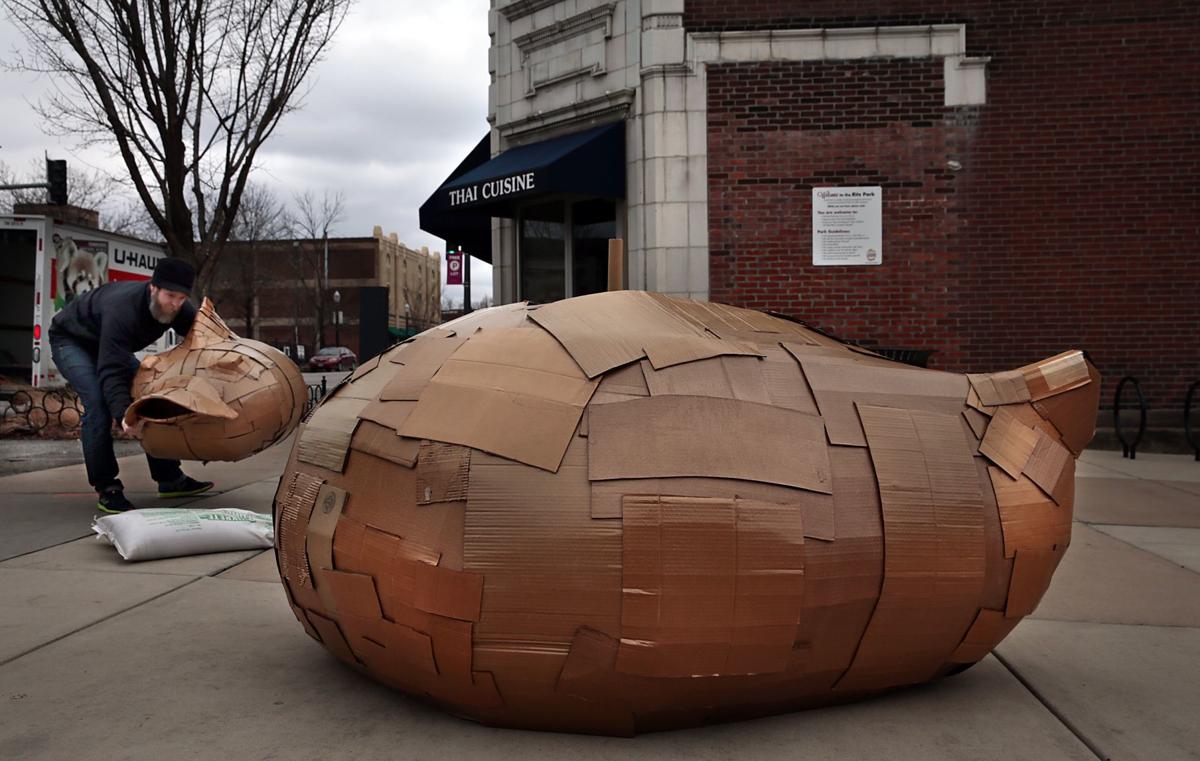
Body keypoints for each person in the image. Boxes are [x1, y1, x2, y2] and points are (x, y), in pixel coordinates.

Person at [48, 258, 214, 513]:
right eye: (170, 296)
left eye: (181, 298)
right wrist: (125, 414)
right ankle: (107, 487)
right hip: (73, 341)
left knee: (152, 395)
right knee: (98, 405)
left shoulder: (179, 308)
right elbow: (111, 370)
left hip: (109, 345)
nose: (174, 305)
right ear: (153, 289)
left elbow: (206, 339)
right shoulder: (123, 309)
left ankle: (169, 478)